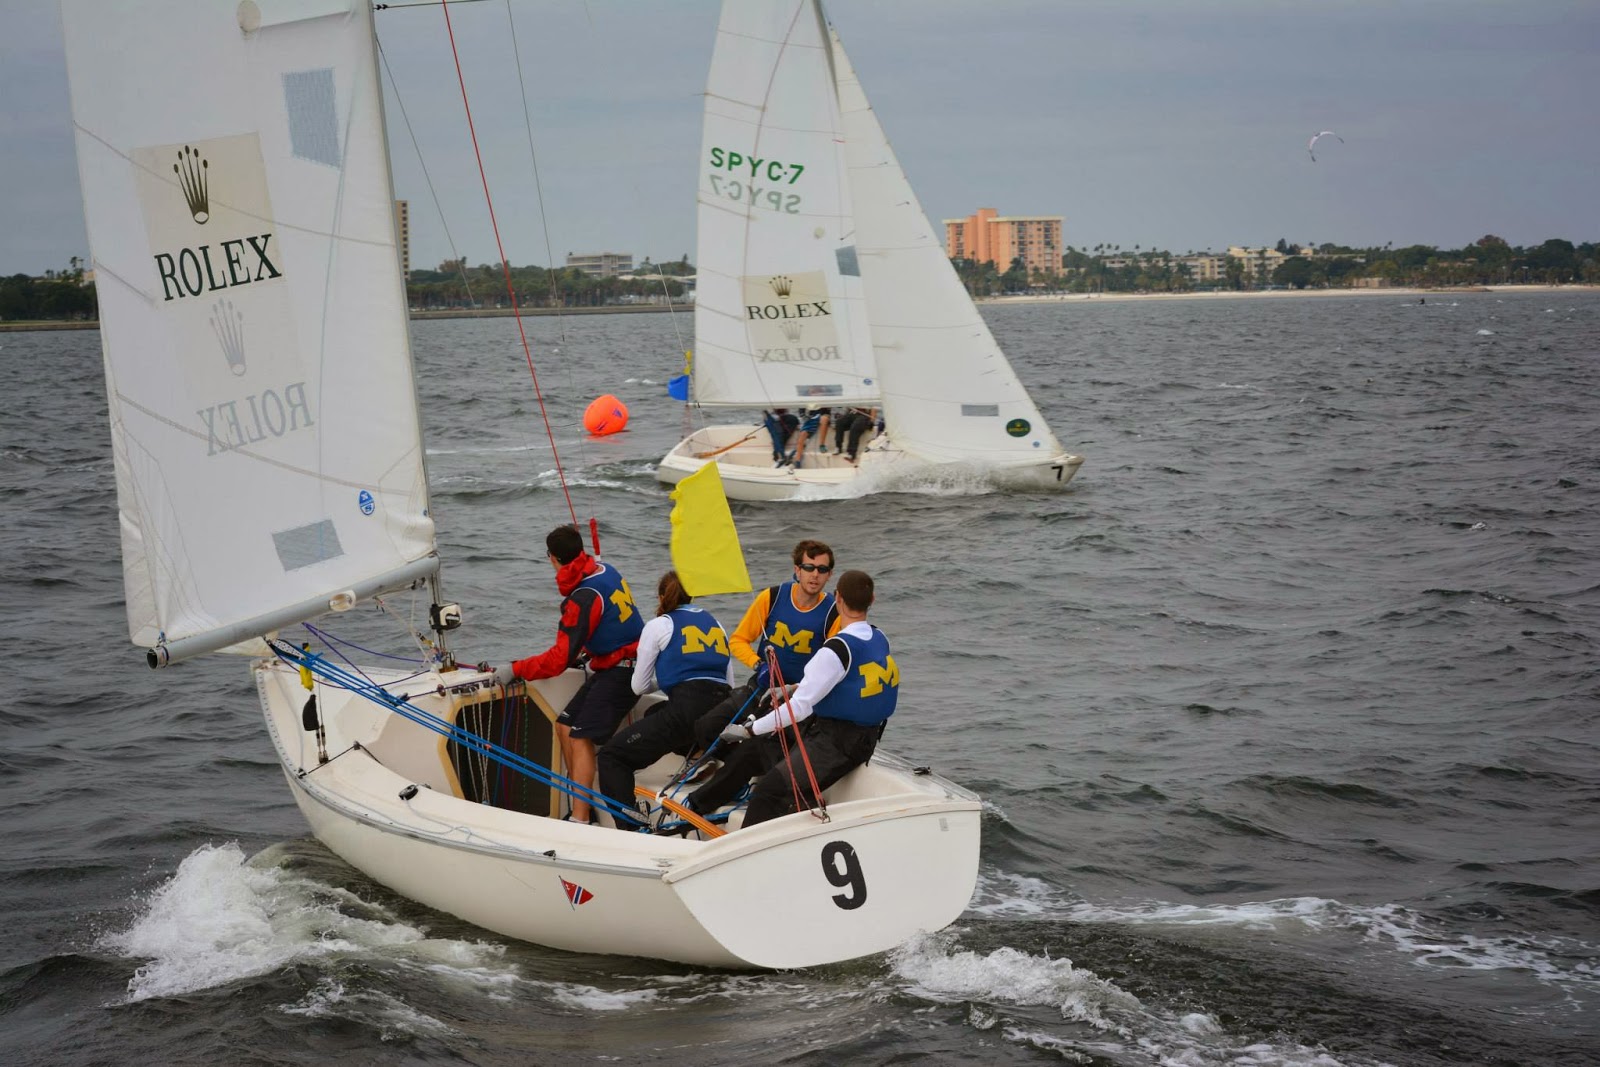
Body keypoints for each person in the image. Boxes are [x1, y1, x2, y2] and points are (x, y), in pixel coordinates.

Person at [704, 570, 896, 828]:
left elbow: (799, 709)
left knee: (768, 792)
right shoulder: (878, 637)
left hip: (836, 744)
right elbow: (848, 682)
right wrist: (794, 687)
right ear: (872, 600)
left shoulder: (836, 649)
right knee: (773, 752)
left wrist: (750, 730)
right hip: (866, 739)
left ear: (837, 598)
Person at [490, 524, 643, 824]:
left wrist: (517, 668)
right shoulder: (605, 569)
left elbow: (559, 660)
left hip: (624, 671)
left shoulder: (581, 597)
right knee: (564, 725)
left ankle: (581, 819)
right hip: (620, 663)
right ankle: (581, 801)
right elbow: (612, 621)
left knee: (579, 737)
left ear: (553, 558)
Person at [595, 571, 734, 828]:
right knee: (655, 713)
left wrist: (666, 678)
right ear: (690, 596)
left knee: (612, 757)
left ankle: (630, 828)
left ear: (661, 597)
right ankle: (701, 754)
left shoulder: (659, 625)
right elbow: (729, 682)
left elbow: (639, 686)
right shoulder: (716, 623)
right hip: (721, 706)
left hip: (687, 708)